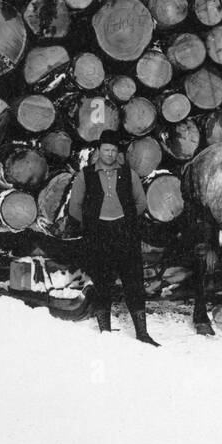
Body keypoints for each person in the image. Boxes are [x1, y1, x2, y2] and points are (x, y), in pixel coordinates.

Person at [66, 130, 158, 346]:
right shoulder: (85, 175)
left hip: (125, 233)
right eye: (106, 149)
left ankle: (142, 333)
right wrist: (91, 225)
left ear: (118, 153)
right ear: (98, 151)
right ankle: (105, 331)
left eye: (113, 150)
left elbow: (141, 202)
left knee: (133, 280)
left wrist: (125, 221)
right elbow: (75, 206)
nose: (109, 154)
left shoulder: (128, 174)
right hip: (98, 235)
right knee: (102, 280)